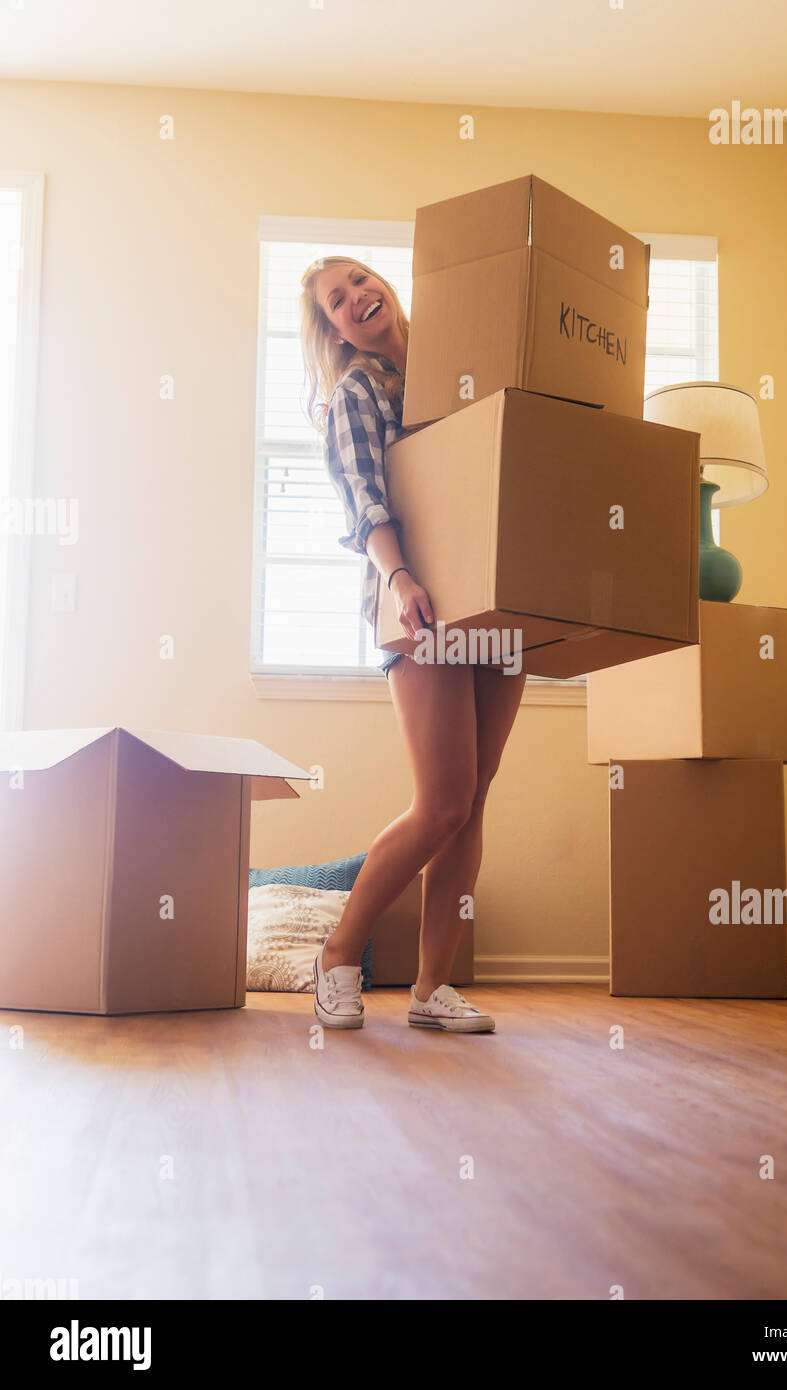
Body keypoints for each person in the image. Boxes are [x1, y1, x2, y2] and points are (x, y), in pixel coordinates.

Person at [298, 256, 526, 1034]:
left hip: (497, 598)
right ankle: (337, 954)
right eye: (337, 300)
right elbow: (366, 502)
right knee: (441, 803)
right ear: (332, 329)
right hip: (418, 602)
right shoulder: (357, 394)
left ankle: (431, 989)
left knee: (473, 802)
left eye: (360, 281)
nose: (355, 297)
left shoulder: (458, 369)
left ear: (385, 287)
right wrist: (399, 580)